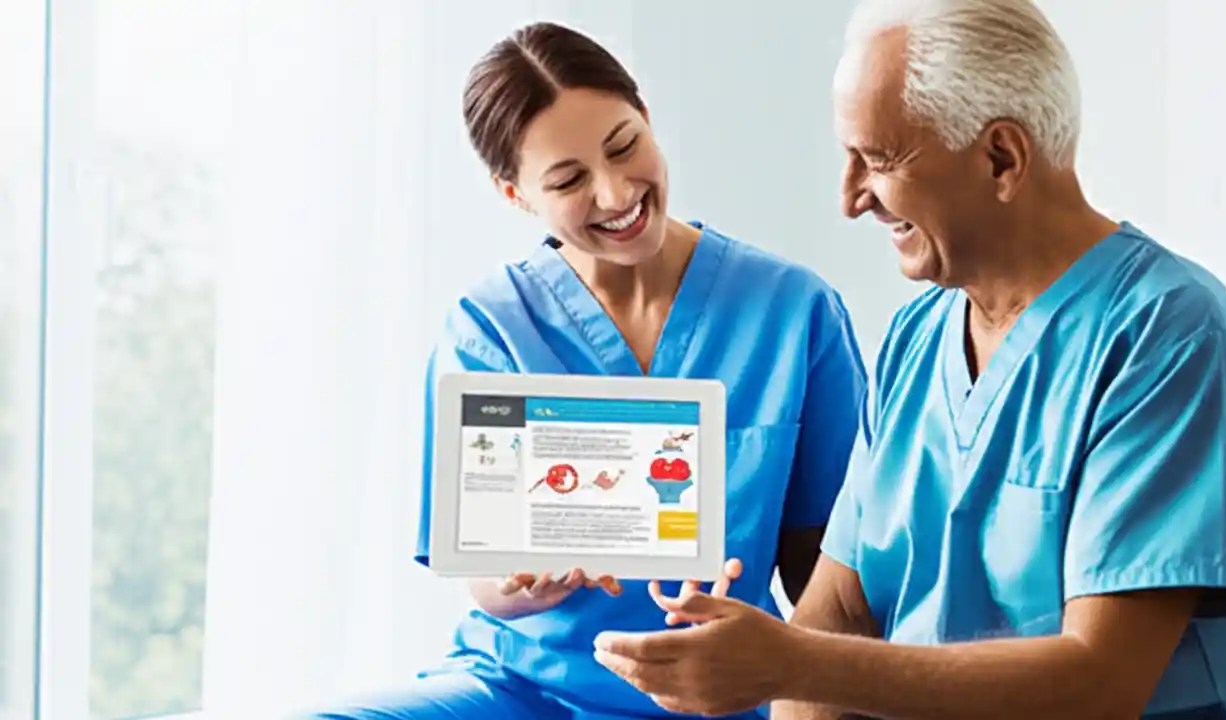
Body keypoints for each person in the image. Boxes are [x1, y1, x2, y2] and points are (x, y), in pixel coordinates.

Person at [593, 1, 1226, 718]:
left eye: (879, 159)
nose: (851, 197)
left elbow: (1100, 683)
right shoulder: (916, 338)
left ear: (1001, 158)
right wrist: (787, 671)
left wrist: (789, 662)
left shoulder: (1174, 339)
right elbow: (837, 613)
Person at [301, 20, 867, 720]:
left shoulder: (792, 311)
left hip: (717, 697)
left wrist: (779, 663)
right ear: (517, 196)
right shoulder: (491, 328)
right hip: (519, 689)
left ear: (648, 119)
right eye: (569, 179)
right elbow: (484, 576)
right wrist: (522, 586)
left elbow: (828, 568)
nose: (615, 193)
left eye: (625, 146)